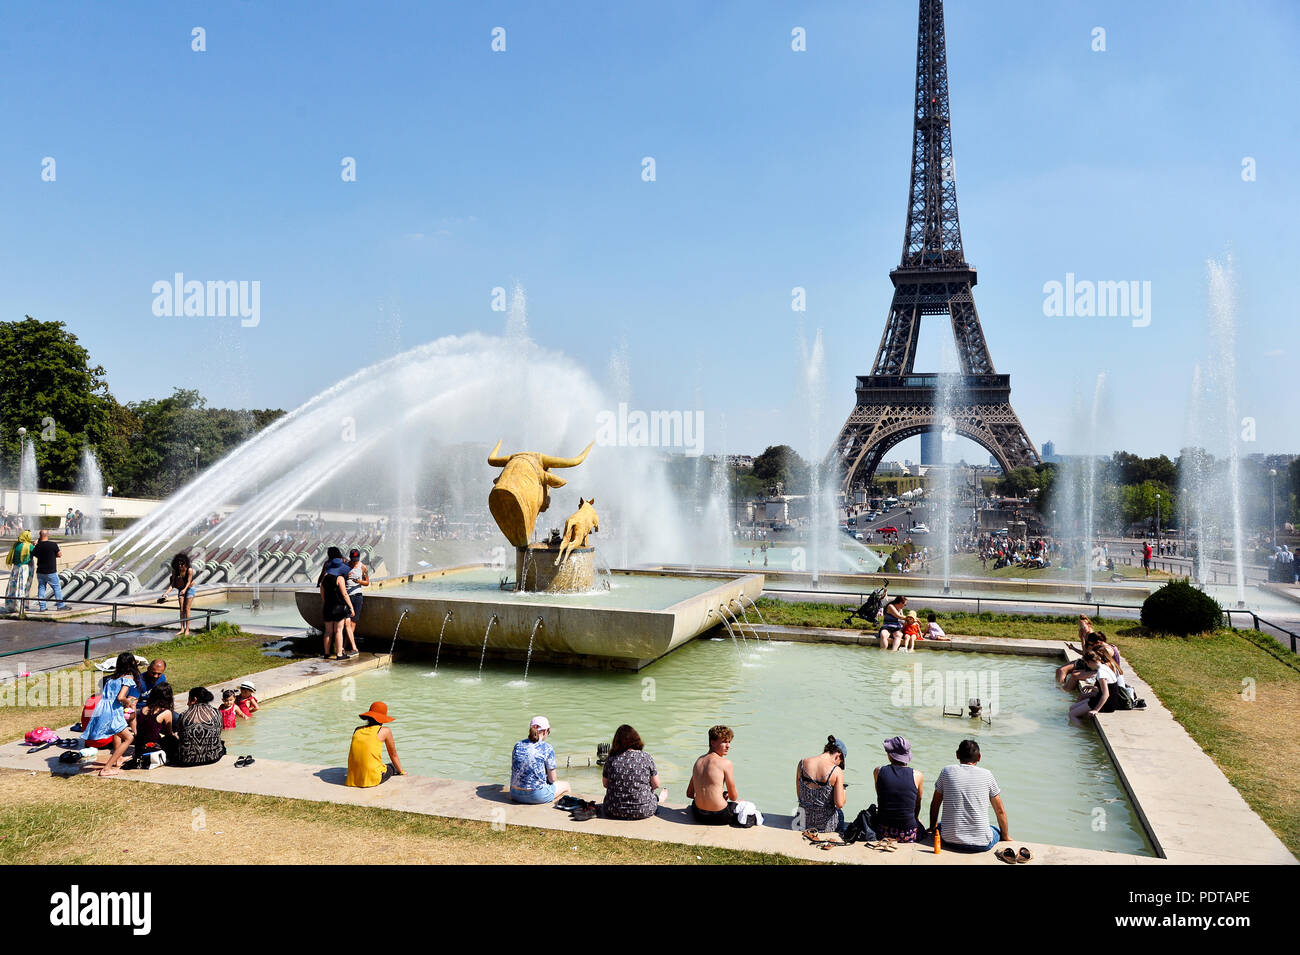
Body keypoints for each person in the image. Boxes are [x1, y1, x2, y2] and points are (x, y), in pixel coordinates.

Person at [929, 739, 1010, 852]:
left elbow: (935, 803)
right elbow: (1000, 810)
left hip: (948, 840)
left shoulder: (946, 771)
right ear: (979, 757)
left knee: (940, 824)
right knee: (994, 829)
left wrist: (933, 827)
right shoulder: (987, 775)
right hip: (982, 844)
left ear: (957, 755)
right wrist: (1005, 836)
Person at [80, 651, 140, 776]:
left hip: (102, 709)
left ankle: (118, 759)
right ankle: (106, 768)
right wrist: (128, 701)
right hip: (113, 712)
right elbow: (120, 697)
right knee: (129, 738)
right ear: (132, 664)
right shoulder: (128, 678)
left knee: (117, 734)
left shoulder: (111, 678)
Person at [601, 724, 663, 820]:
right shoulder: (646, 757)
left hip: (613, 810)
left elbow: (605, 784)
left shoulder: (611, 759)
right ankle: (658, 799)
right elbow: (656, 784)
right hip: (643, 810)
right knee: (653, 796)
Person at [686, 725, 741, 825]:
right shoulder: (726, 763)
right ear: (712, 742)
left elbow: (689, 794)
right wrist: (723, 796)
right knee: (742, 804)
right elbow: (733, 797)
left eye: (729, 742)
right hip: (720, 816)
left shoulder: (698, 761)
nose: (728, 746)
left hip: (699, 815)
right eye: (724, 742)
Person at [874, 736, 923, 842]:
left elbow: (881, 796)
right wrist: (916, 818)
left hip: (883, 831)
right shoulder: (918, 775)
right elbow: (917, 804)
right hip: (908, 833)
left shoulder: (878, 771)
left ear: (890, 755)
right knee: (920, 823)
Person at [510, 716, 569, 804]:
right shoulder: (547, 748)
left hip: (514, 794)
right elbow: (553, 779)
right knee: (566, 785)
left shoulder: (518, 745)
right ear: (546, 731)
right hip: (536, 795)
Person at [794, 735, 847, 834]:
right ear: (838, 755)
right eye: (840, 762)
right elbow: (839, 804)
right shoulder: (836, 771)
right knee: (840, 813)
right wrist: (843, 790)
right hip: (824, 826)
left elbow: (800, 795)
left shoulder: (802, 763)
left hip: (801, 821)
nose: (838, 765)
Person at [346, 701, 405, 786]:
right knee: (393, 766)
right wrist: (401, 771)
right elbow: (393, 754)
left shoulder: (357, 730)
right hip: (372, 779)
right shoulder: (385, 731)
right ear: (383, 719)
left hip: (353, 778)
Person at [317, 547, 355, 659]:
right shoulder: (340, 579)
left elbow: (322, 595)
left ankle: (327, 653)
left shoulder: (324, 578)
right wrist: (351, 607)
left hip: (328, 607)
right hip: (339, 607)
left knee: (328, 632)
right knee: (338, 631)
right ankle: (339, 654)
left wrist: (327, 604)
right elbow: (344, 594)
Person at [1070, 649, 1129, 719]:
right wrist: (1092, 688)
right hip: (1108, 699)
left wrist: (1096, 710)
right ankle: (1083, 722)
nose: (1088, 666)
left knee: (1072, 714)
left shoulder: (1101, 673)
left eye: (1086, 663)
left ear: (1090, 662)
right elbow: (1110, 688)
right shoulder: (1105, 666)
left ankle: (1079, 728)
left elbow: (1106, 694)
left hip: (1107, 704)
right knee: (1072, 708)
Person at [175, 687, 226, 766]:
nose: (187, 703)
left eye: (188, 700)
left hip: (187, 760)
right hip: (214, 758)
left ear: (194, 699)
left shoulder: (183, 715)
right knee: (222, 743)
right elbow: (219, 732)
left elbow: (180, 734)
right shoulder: (217, 712)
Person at [131, 683, 178, 765]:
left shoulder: (143, 709)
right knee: (173, 739)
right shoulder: (166, 712)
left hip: (139, 747)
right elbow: (168, 733)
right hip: (153, 747)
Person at [160, 553, 196, 636]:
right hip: (181, 589)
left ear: (185, 563)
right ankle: (182, 629)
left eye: (182, 564)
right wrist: (166, 593)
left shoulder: (189, 570)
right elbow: (173, 584)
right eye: (178, 564)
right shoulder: (175, 571)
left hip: (190, 588)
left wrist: (185, 589)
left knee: (187, 609)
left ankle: (187, 629)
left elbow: (188, 582)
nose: (180, 566)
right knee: (181, 609)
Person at [32, 529, 68, 611]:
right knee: (56, 587)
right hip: (50, 571)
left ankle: (42, 607)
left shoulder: (38, 546)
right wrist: (52, 555)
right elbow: (59, 554)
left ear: (39, 535)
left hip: (40, 571)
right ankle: (60, 605)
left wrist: (35, 544)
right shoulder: (53, 544)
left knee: (41, 588)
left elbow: (35, 554)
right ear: (48, 535)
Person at [342, 548, 369, 657]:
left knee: (353, 623)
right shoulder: (345, 566)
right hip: (347, 597)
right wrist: (344, 577)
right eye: (353, 559)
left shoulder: (363, 567)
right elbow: (340, 579)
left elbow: (367, 582)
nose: (354, 562)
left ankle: (346, 646)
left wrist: (359, 581)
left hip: (357, 596)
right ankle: (345, 646)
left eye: (356, 559)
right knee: (346, 622)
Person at [4, 529, 36, 612]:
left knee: (13, 587)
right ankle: (21, 606)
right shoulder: (29, 546)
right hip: (25, 568)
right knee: (23, 586)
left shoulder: (16, 545)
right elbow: (36, 553)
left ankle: (11, 605)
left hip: (16, 568)